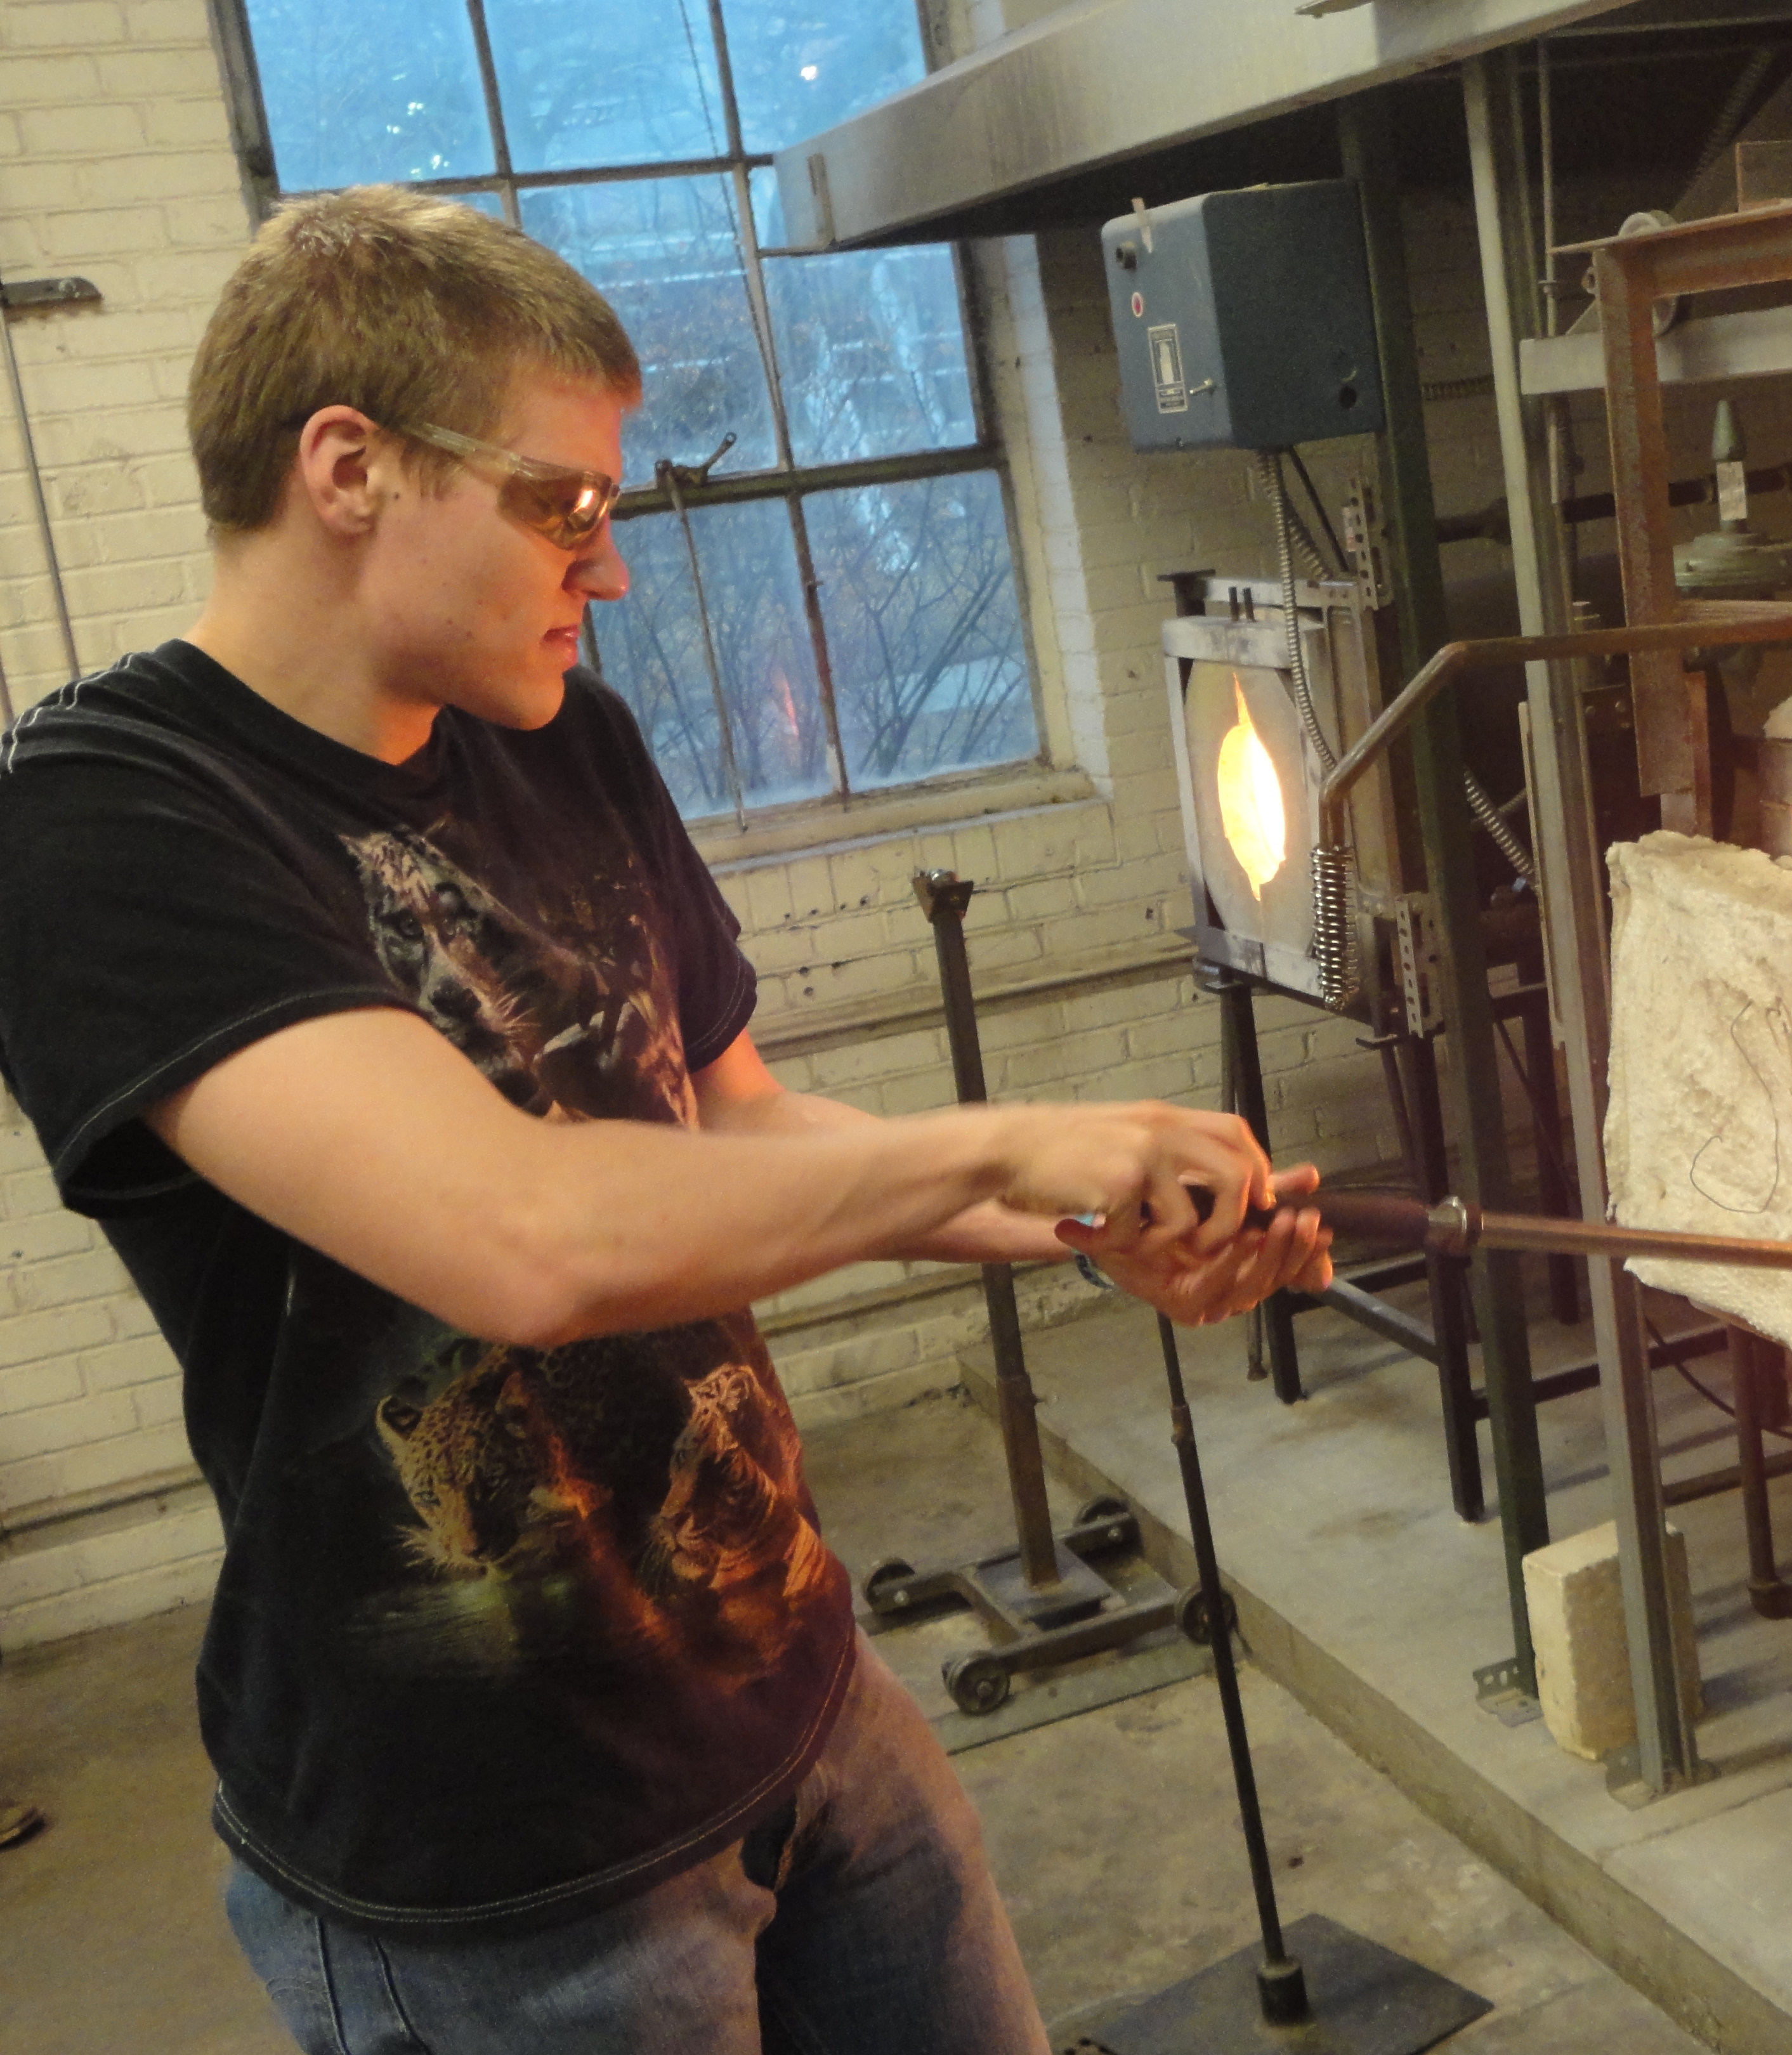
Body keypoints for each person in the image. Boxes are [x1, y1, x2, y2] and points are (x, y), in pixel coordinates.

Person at [0, 185, 1332, 2052]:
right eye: (564, 505)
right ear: (349, 465)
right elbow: (522, 1240)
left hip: (801, 1706)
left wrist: (1104, 1225)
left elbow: (733, 1136)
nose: (606, 569)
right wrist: (1007, 1140)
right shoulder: (108, 817)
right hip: (490, 1868)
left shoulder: (562, 739)